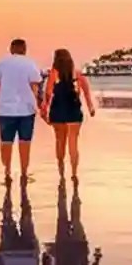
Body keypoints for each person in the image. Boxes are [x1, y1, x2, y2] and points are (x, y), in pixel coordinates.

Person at [0, 38, 43, 183]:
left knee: (6, 142)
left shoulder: (1, 64)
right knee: (25, 142)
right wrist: (40, 105)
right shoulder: (30, 64)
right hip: (26, 109)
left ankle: (7, 171)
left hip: (5, 109)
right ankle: (24, 173)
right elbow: (36, 86)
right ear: (24, 49)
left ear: (11, 49)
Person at [40, 49, 95, 179]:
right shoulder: (78, 75)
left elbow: (48, 94)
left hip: (58, 112)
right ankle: (74, 173)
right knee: (73, 143)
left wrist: (44, 109)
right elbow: (86, 93)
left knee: (60, 141)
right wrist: (91, 108)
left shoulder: (54, 74)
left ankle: (61, 172)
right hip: (74, 112)